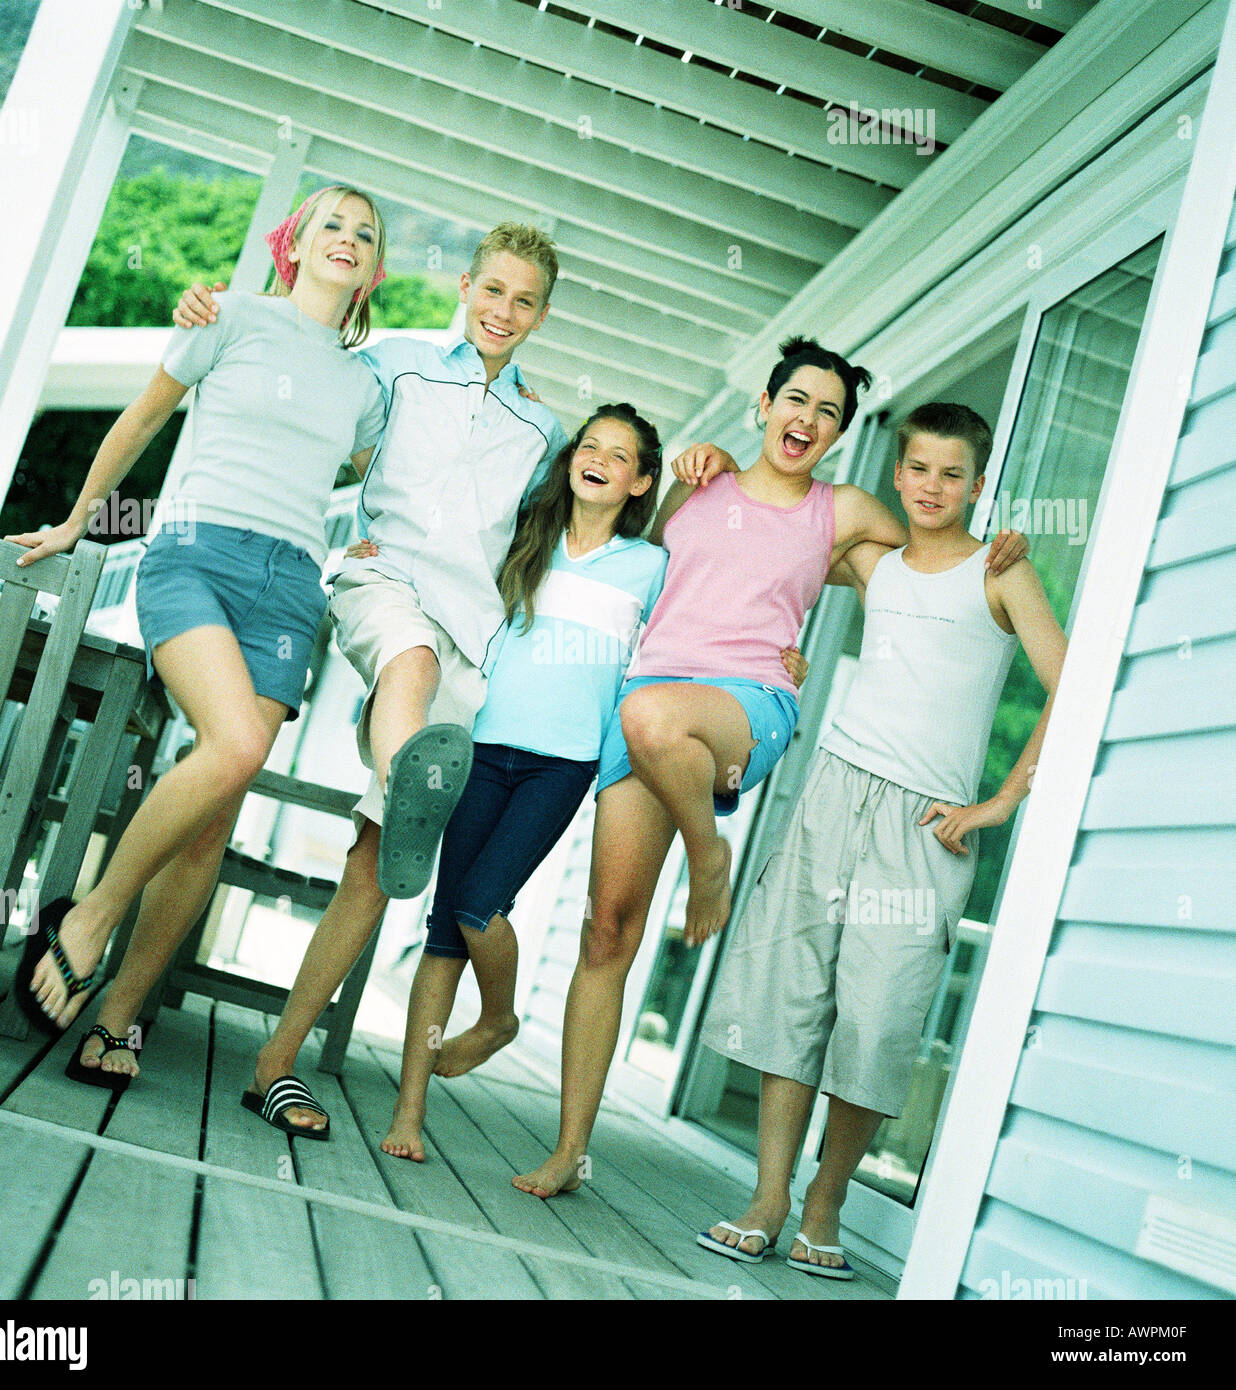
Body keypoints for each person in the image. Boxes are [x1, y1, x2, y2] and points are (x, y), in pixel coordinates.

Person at [510, 341, 1029, 1199]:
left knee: (653, 718)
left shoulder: (848, 508)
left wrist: (998, 553)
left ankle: (708, 855)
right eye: (796, 400)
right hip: (652, 693)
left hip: (744, 705)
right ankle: (570, 1150)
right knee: (607, 926)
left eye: (828, 412)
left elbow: (933, 568)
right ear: (764, 403)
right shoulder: (699, 482)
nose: (807, 420)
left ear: (840, 434)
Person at [171, 224, 569, 1136]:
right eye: (492, 290)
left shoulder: (543, 428)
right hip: (383, 581)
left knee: (371, 863)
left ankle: (277, 1062)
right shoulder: (394, 363)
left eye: (524, 301)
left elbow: (554, 534)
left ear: (542, 316)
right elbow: (308, 378)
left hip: (471, 629)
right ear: (466, 286)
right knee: (408, 664)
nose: (503, 311)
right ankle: (408, 777)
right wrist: (216, 308)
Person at [7, 186, 390, 1101]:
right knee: (238, 747)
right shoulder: (227, 318)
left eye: (365, 234)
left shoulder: (369, 383)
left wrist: (375, 542)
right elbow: (142, 416)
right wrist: (74, 522)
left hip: (291, 587)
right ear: (291, 246)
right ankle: (90, 918)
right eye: (330, 224)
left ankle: (115, 1019)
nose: (347, 239)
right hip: (193, 555)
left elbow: (378, 479)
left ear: (375, 270)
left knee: (218, 801)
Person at [696, 401, 1066, 1278]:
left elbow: (1073, 682)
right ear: (898, 477)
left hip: (925, 821)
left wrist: (1001, 803)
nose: (933, 485)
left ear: (979, 485)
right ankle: (770, 1195)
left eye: (953, 473)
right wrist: (715, 469)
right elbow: (758, 550)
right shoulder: (875, 563)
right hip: (833, 791)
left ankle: (826, 1202)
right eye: (919, 469)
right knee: (791, 992)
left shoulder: (1002, 574)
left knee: (878, 1014)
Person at [377, 404, 666, 1161]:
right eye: (590, 446)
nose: (599, 458)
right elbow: (446, 566)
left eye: (620, 454)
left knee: (477, 909)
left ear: (639, 482)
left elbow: (699, 636)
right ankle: (409, 1113)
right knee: (444, 931)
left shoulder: (651, 567)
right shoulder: (523, 543)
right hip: (481, 746)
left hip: (561, 764)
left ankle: (498, 1018)